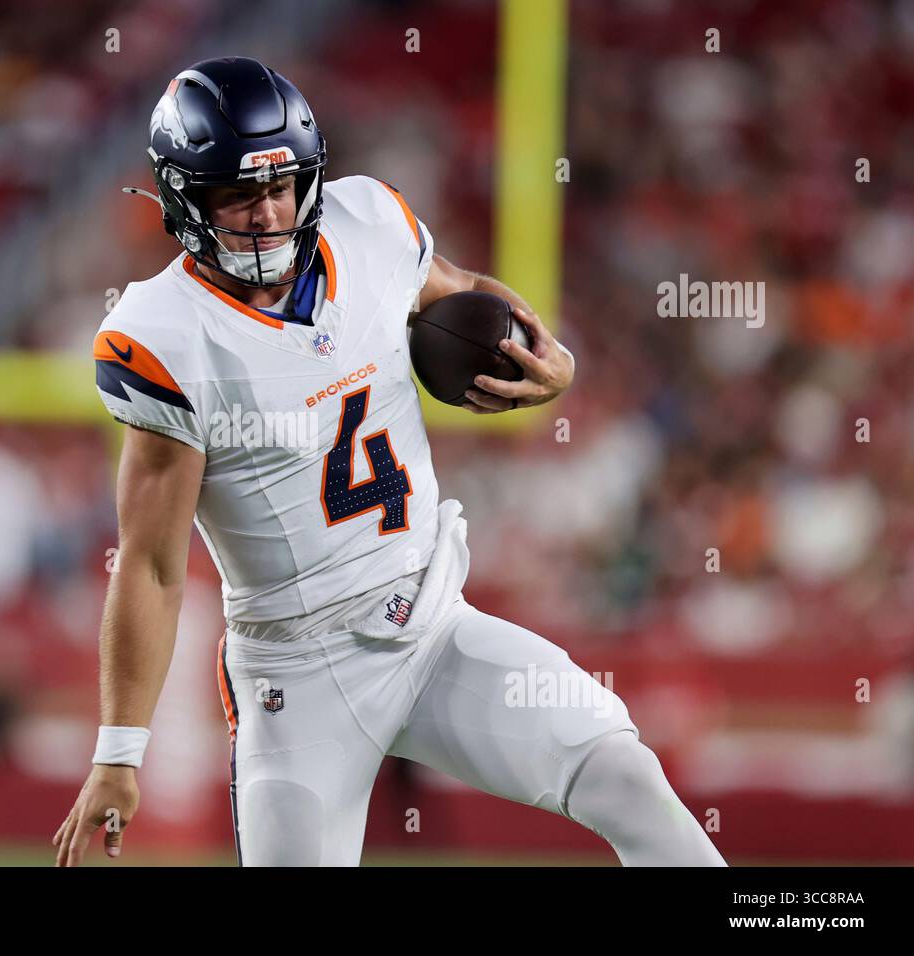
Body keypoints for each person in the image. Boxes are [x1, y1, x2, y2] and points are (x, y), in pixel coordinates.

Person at [53, 56, 725, 867]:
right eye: (238, 192)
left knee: (622, 772)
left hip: (433, 625)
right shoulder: (164, 333)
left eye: (282, 186)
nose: (267, 213)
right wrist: (119, 752)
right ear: (182, 198)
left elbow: (459, 290)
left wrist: (556, 359)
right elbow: (154, 567)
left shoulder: (368, 221)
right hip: (298, 675)